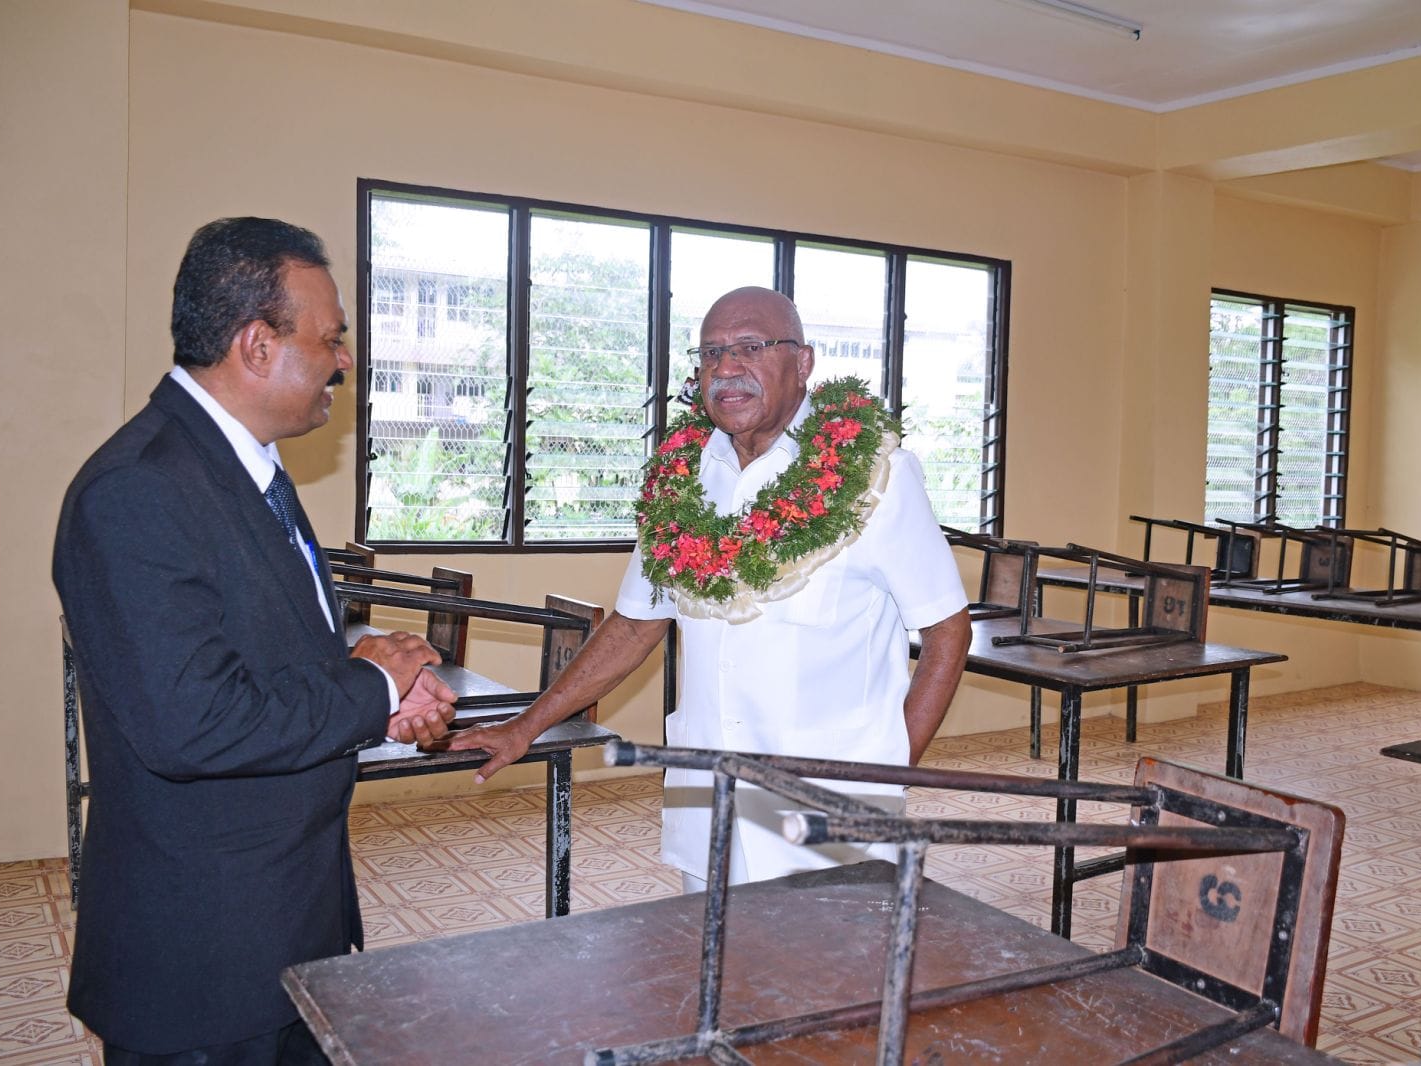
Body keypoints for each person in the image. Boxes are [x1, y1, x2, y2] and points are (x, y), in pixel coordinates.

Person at [53, 217, 457, 1064]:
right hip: (204, 962)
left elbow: (268, 663)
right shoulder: (137, 490)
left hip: (287, 924)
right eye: (331, 338)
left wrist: (376, 706)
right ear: (258, 345)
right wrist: (372, 686)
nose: (345, 360)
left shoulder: (246, 468)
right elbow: (190, 721)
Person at [449, 286, 971, 890]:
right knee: (709, 950)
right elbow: (635, 624)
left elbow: (947, 632)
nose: (726, 368)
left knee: (831, 955)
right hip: (708, 800)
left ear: (802, 362)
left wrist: (891, 774)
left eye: (751, 347)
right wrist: (525, 726)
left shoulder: (878, 477)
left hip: (830, 809)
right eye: (712, 353)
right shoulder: (681, 479)